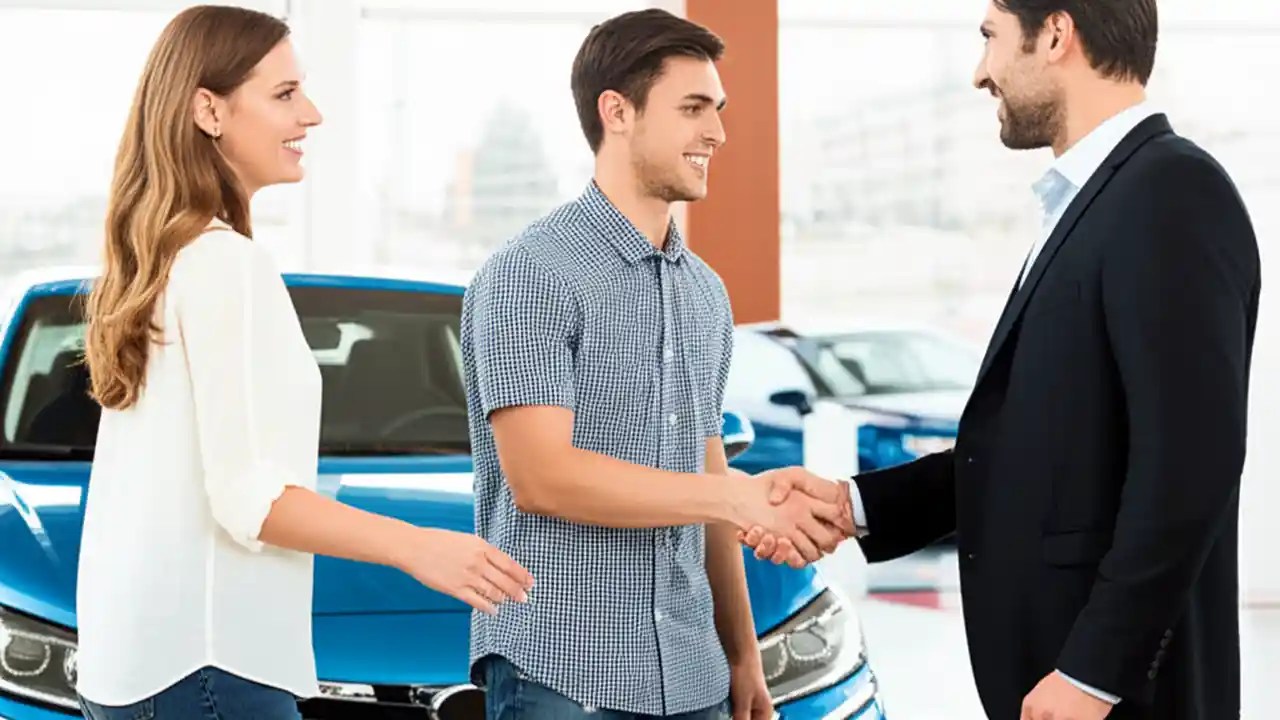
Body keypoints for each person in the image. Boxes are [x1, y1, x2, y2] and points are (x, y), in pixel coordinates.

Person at [743, 1, 1260, 719]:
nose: (981, 72)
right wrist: (853, 505)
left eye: (990, 38)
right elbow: (1033, 450)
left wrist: (1094, 675)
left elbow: (1190, 466)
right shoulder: (1095, 201)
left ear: (1056, 34)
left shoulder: (1171, 193)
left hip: (1118, 696)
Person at [76, 6, 532, 720]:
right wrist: (417, 547)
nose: (312, 114)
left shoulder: (161, 261)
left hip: (136, 670)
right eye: (285, 94)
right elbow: (248, 498)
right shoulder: (225, 263)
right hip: (209, 668)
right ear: (208, 110)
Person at [460, 9, 851, 720]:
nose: (718, 133)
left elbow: (707, 471)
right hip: (563, 673)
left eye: (718, 109)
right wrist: (733, 497)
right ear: (617, 112)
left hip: (694, 679)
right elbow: (542, 478)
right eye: (693, 108)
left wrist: (742, 658)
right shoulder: (529, 275)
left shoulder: (706, 292)